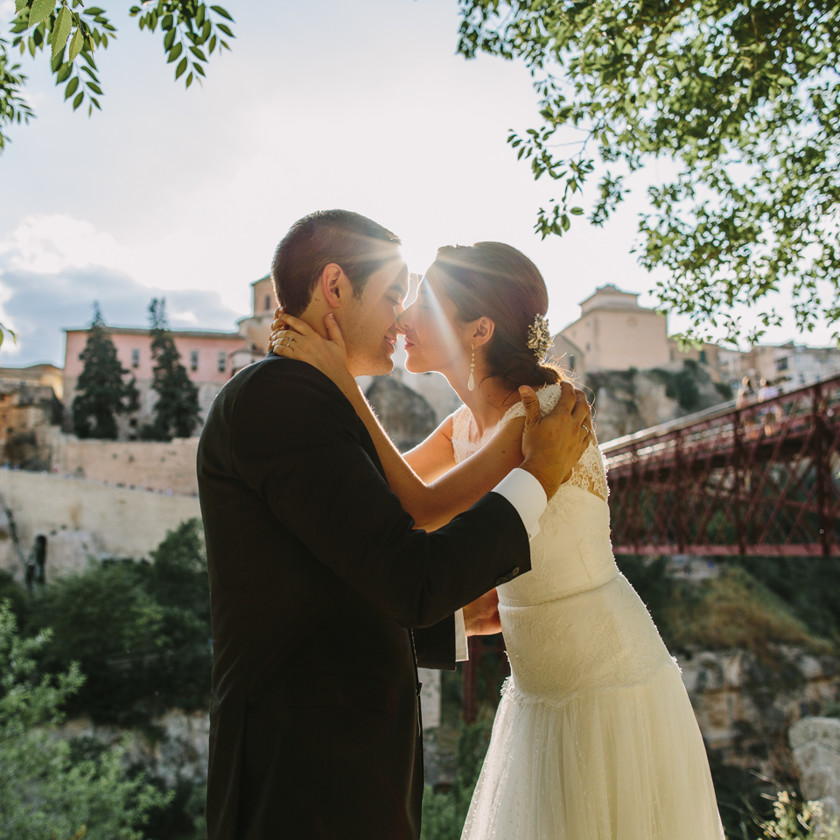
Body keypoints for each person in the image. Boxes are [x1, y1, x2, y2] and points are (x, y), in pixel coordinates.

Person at [272, 240, 726, 840]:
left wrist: (340, 382)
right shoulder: (464, 424)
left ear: (479, 328)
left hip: (603, 680)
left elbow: (422, 506)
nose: (403, 318)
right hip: (540, 690)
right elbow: (387, 496)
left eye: (424, 304)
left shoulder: (544, 412)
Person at [196, 212, 592, 840]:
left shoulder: (305, 398)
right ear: (334, 287)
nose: (401, 317)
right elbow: (408, 572)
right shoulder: (283, 399)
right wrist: (538, 476)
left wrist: (462, 619)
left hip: (332, 770)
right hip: (306, 782)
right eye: (390, 296)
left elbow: (345, 569)